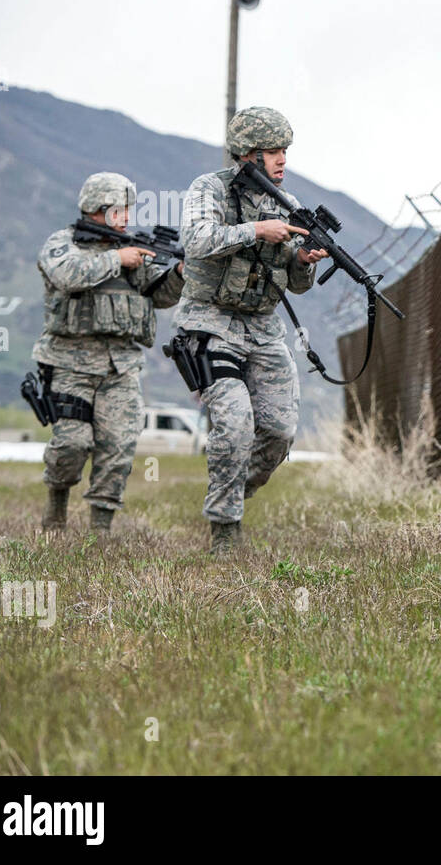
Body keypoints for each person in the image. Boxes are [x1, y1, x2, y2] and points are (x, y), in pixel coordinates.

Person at [175, 106, 328, 554]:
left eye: (285, 150)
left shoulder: (291, 205)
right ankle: (224, 530)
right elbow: (198, 240)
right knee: (235, 424)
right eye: (272, 151)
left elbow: (296, 286)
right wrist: (256, 230)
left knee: (279, 432)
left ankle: (231, 495)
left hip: (263, 328)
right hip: (209, 321)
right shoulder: (210, 189)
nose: (282, 159)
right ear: (246, 155)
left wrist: (302, 262)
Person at [35, 172, 185, 533]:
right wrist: (119, 258)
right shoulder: (64, 243)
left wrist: (180, 272)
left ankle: (99, 531)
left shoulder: (133, 248)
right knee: (72, 443)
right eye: (119, 210)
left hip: (122, 366)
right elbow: (68, 275)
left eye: (128, 210)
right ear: (96, 209)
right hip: (70, 363)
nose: (126, 217)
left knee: (118, 447)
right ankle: (56, 505)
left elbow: (159, 295)